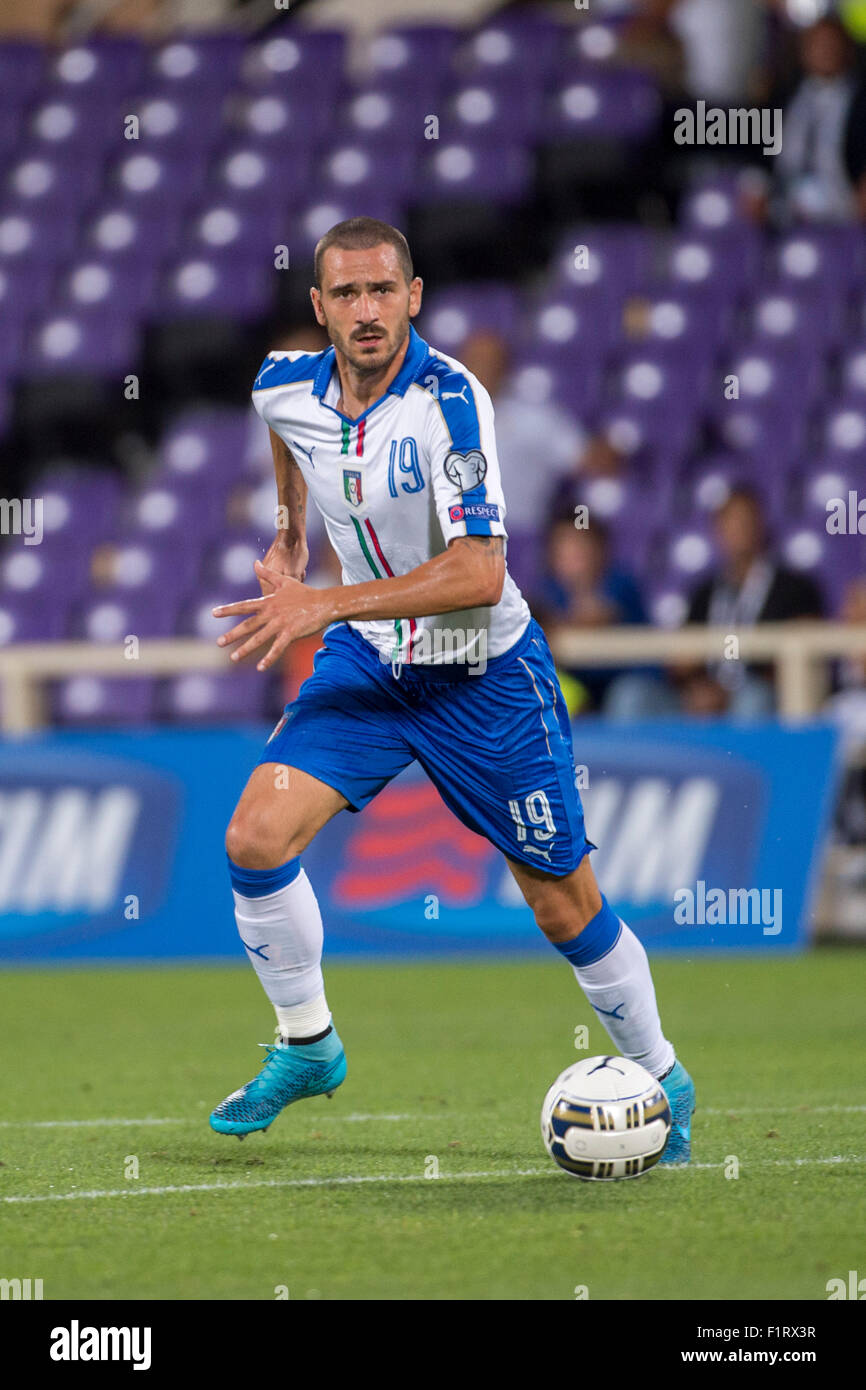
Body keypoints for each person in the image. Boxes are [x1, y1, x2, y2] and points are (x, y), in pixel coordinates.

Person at [207, 216, 695, 1164]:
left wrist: (323, 602)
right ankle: (308, 1044)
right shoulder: (282, 385)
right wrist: (289, 532)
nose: (366, 311)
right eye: (345, 295)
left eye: (383, 290)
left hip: (483, 674)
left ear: (413, 296)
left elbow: (478, 571)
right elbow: (288, 439)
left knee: (564, 905)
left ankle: (664, 1078)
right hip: (370, 665)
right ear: (320, 309)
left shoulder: (451, 402)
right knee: (254, 839)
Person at [678, 487, 824, 717]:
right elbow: (681, 660)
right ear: (717, 530)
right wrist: (700, 685)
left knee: (752, 699)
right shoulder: (704, 593)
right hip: (708, 693)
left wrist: (731, 691)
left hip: (763, 694)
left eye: (745, 519)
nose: (738, 529)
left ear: (760, 525)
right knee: (637, 697)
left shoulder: (794, 589)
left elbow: (808, 653)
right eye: (730, 520)